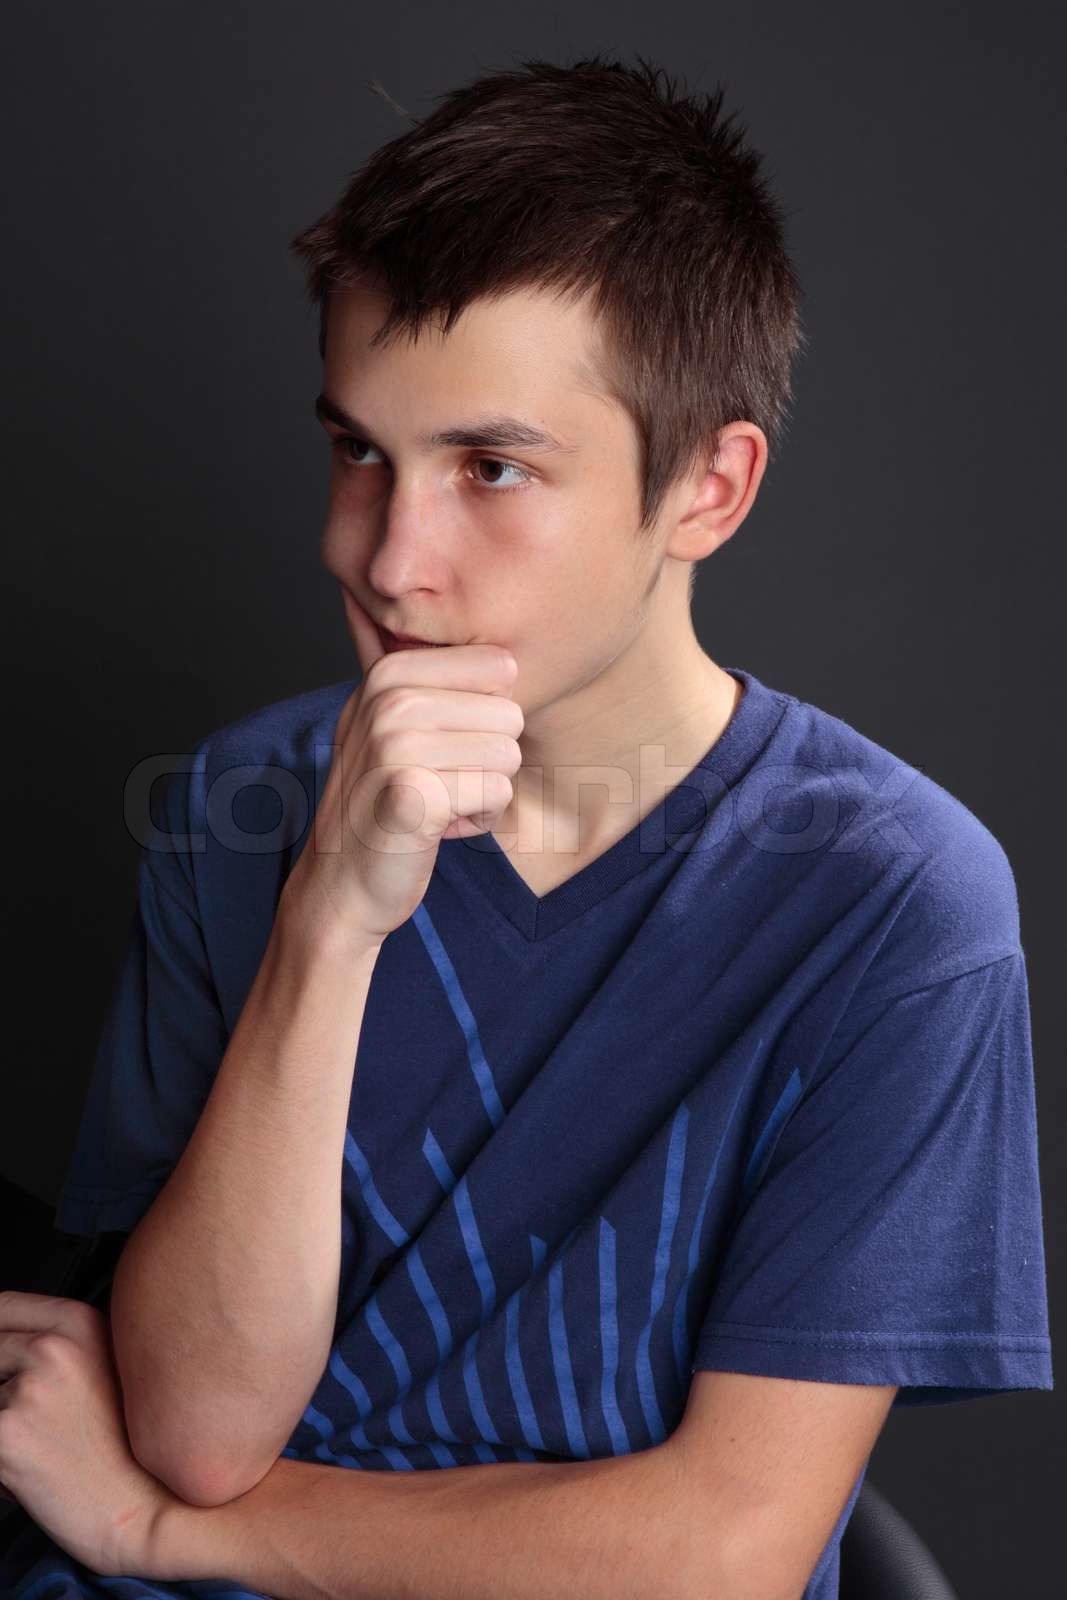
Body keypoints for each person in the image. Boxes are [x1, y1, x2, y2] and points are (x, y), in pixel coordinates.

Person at [1, 52, 1052, 1600]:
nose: (389, 559)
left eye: (491, 468)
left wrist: (168, 1536)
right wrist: (328, 922)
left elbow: (725, 1548)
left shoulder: (896, 906)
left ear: (707, 489)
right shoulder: (240, 810)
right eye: (361, 450)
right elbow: (197, 1426)